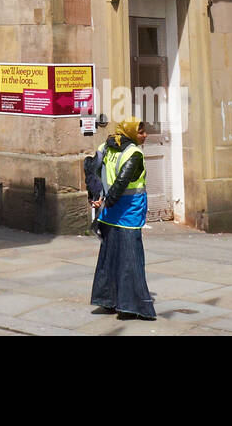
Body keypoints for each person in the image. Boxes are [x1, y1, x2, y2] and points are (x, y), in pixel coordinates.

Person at [90, 117, 156, 321]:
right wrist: (107, 201)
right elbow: (121, 182)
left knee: (109, 257)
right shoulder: (133, 153)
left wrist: (96, 198)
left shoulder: (106, 146)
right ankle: (131, 306)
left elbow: (92, 172)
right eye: (141, 132)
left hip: (109, 213)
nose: (144, 136)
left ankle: (106, 299)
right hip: (127, 212)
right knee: (131, 258)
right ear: (130, 133)